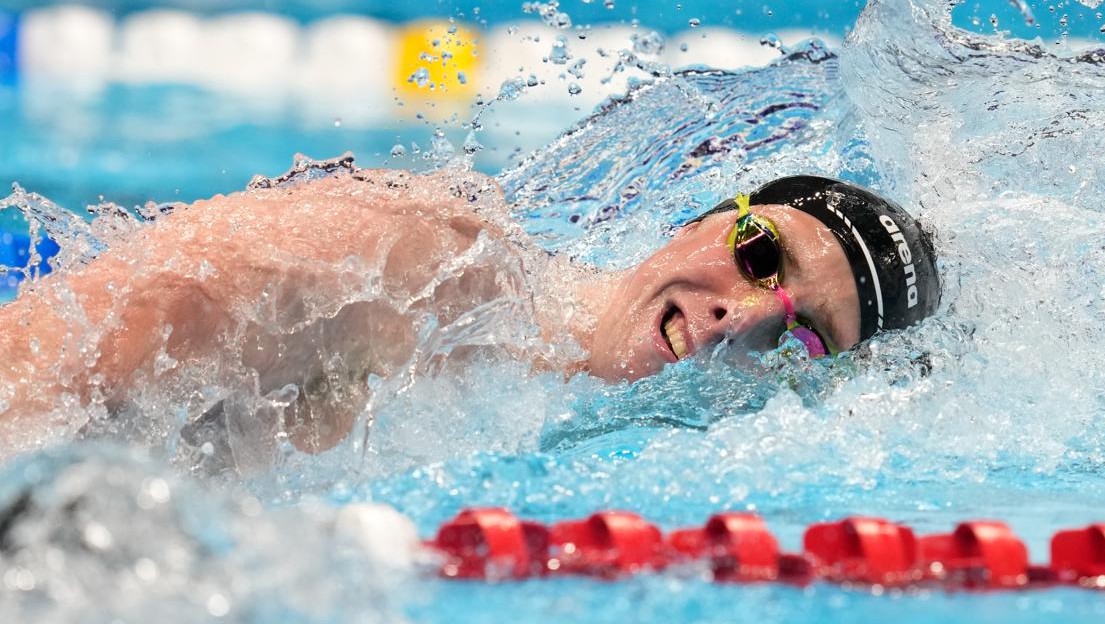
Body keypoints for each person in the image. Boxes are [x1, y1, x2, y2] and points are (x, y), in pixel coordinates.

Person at [0, 167, 939, 458]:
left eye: (804, 336)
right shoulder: (412, 264)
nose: (743, 318)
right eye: (761, 256)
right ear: (703, 218)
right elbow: (40, 359)